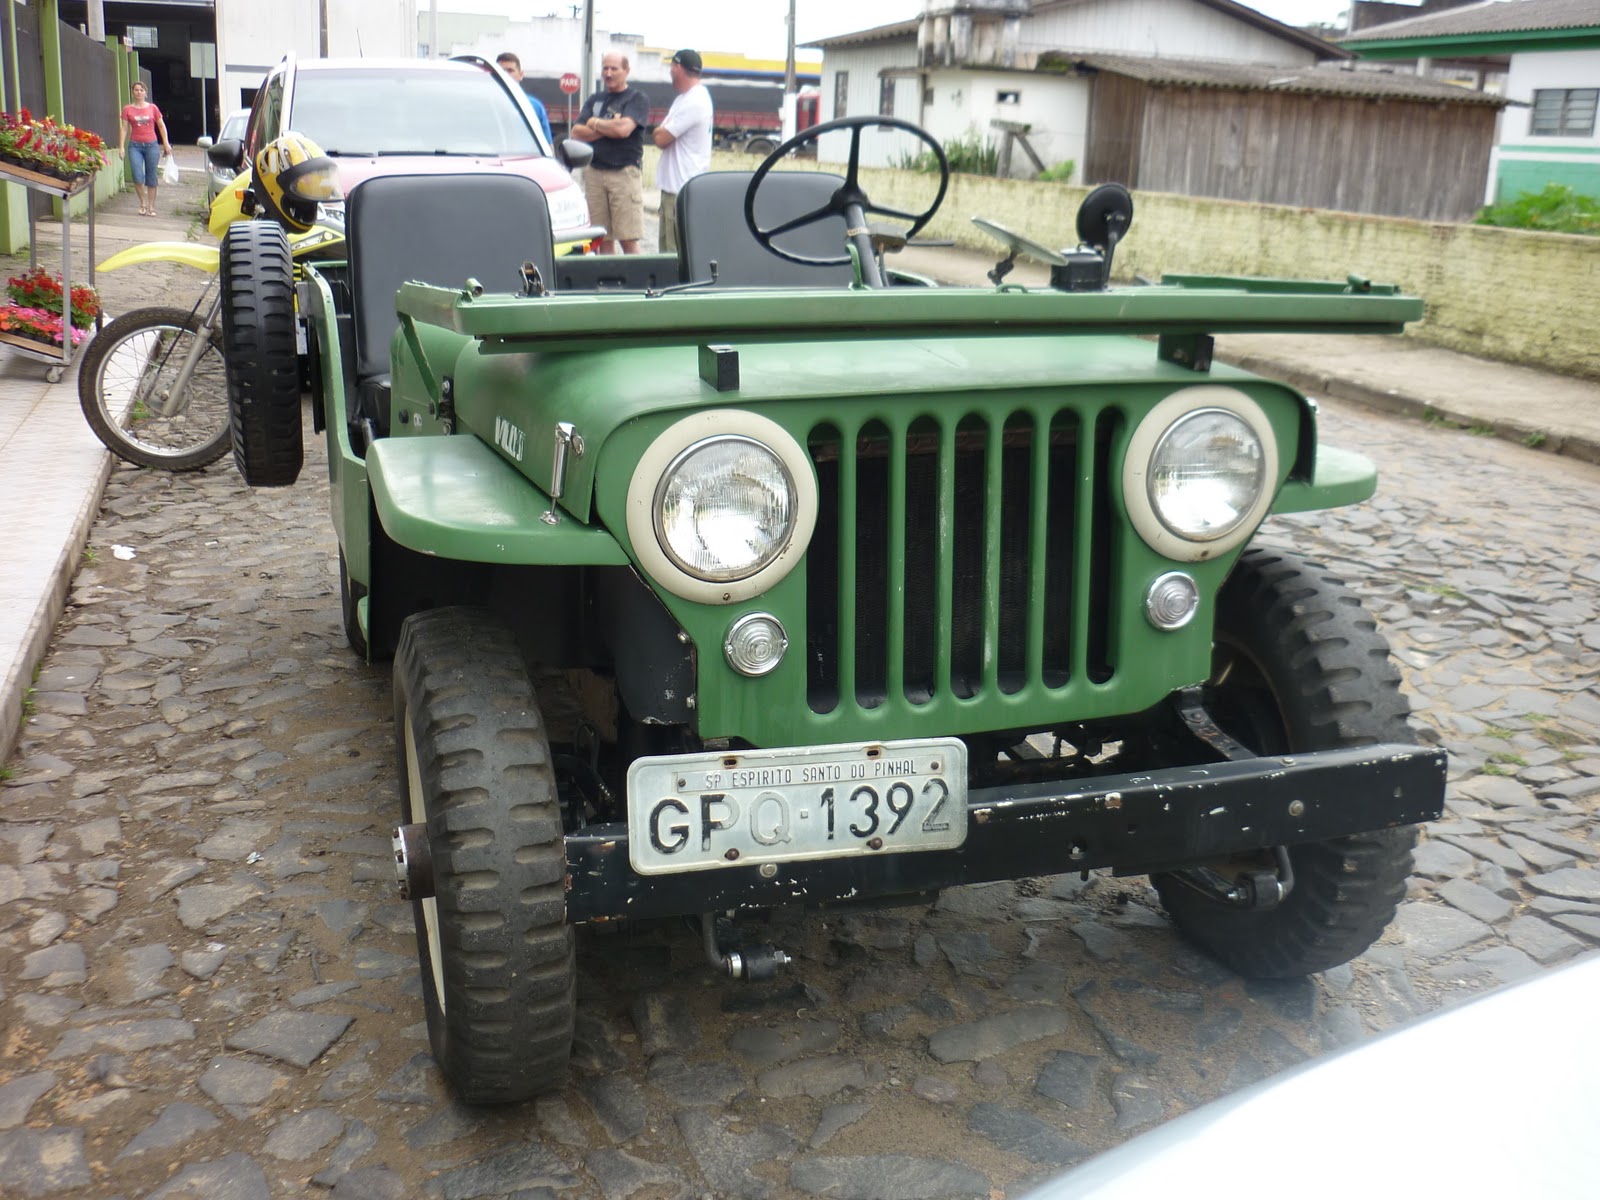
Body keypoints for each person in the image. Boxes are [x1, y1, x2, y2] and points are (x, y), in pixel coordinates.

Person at [572, 52, 649, 254]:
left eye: (614, 68)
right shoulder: (595, 100)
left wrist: (594, 122)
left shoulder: (636, 99)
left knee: (627, 238)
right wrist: (610, 125)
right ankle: (608, 282)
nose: (608, 73)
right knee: (601, 238)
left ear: (626, 70)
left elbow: (622, 131)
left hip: (623, 173)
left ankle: (635, 283)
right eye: (605, 68)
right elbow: (577, 132)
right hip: (595, 173)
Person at [652, 49, 714, 255]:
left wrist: (660, 131)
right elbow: (663, 133)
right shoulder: (686, 98)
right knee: (668, 249)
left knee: (673, 254)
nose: (670, 71)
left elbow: (660, 138)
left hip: (680, 189)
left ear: (677, 68)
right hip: (676, 187)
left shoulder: (693, 101)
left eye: (671, 67)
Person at [119, 81, 172, 217]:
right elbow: (124, 128)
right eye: (136, 90)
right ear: (132, 92)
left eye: (141, 90)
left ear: (145, 93)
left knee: (151, 176)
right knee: (137, 176)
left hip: (151, 145)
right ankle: (142, 203)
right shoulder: (127, 109)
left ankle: (151, 206)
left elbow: (161, 126)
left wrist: (166, 143)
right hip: (135, 146)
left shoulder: (152, 108)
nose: (138, 92)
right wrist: (121, 147)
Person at [495, 52, 553, 146]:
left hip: (526, 159)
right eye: (501, 71)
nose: (505, 74)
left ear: (521, 75)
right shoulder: (488, 106)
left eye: (510, 70)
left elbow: (547, 146)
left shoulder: (534, 107)